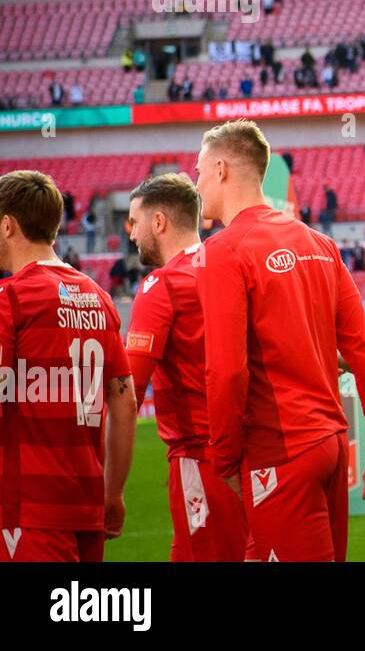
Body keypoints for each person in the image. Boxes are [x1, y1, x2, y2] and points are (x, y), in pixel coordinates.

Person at [194, 120, 365, 562]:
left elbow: (226, 370)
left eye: (200, 171)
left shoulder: (223, 250)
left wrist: (225, 460)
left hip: (279, 453)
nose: (198, 183)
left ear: (223, 169)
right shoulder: (320, 244)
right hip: (330, 446)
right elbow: (364, 352)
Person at [0, 171, 136, 562]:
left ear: (8, 225)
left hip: (26, 509)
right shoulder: (100, 298)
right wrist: (113, 495)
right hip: (87, 505)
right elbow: (124, 406)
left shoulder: (11, 299)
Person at [124, 173, 247, 561]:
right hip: (255, 453)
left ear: (158, 222)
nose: (131, 233)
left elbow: (128, 392)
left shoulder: (162, 285)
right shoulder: (237, 268)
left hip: (200, 457)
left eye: (135, 221)